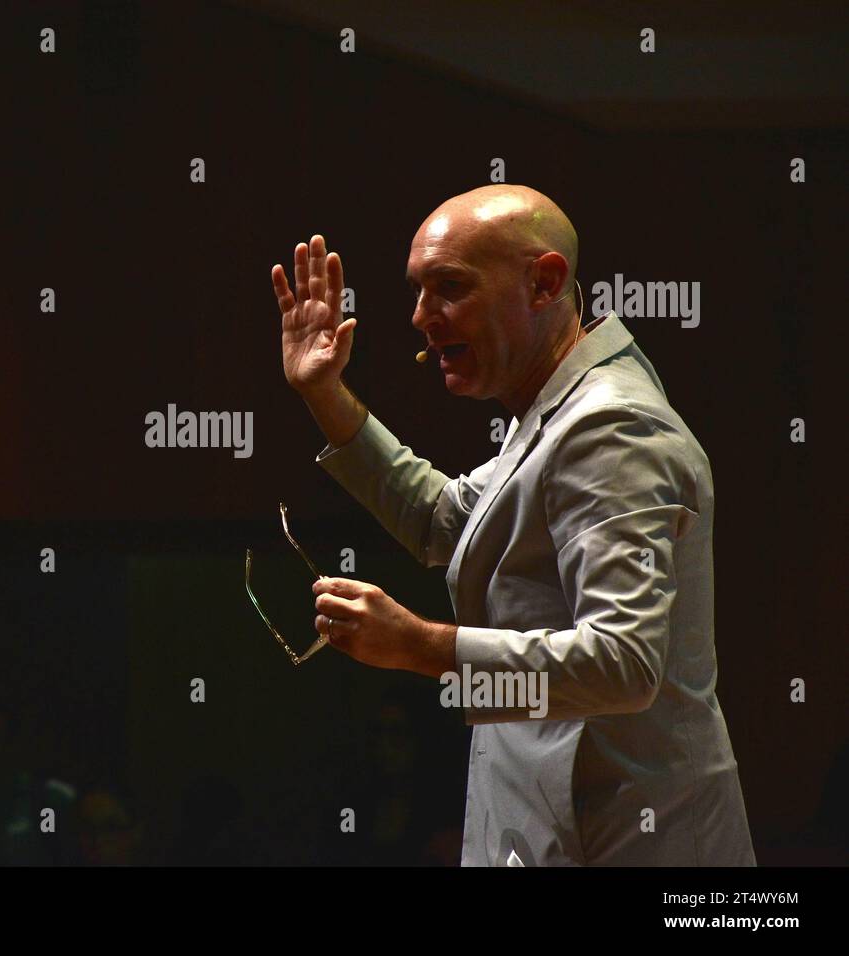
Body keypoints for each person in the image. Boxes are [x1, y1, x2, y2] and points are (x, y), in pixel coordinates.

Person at [270, 184, 755, 865]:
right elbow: (444, 522)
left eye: (449, 287)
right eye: (417, 290)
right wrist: (324, 391)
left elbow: (625, 664)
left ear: (543, 282)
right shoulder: (557, 409)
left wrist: (424, 647)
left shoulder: (609, 428)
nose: (419, 316)